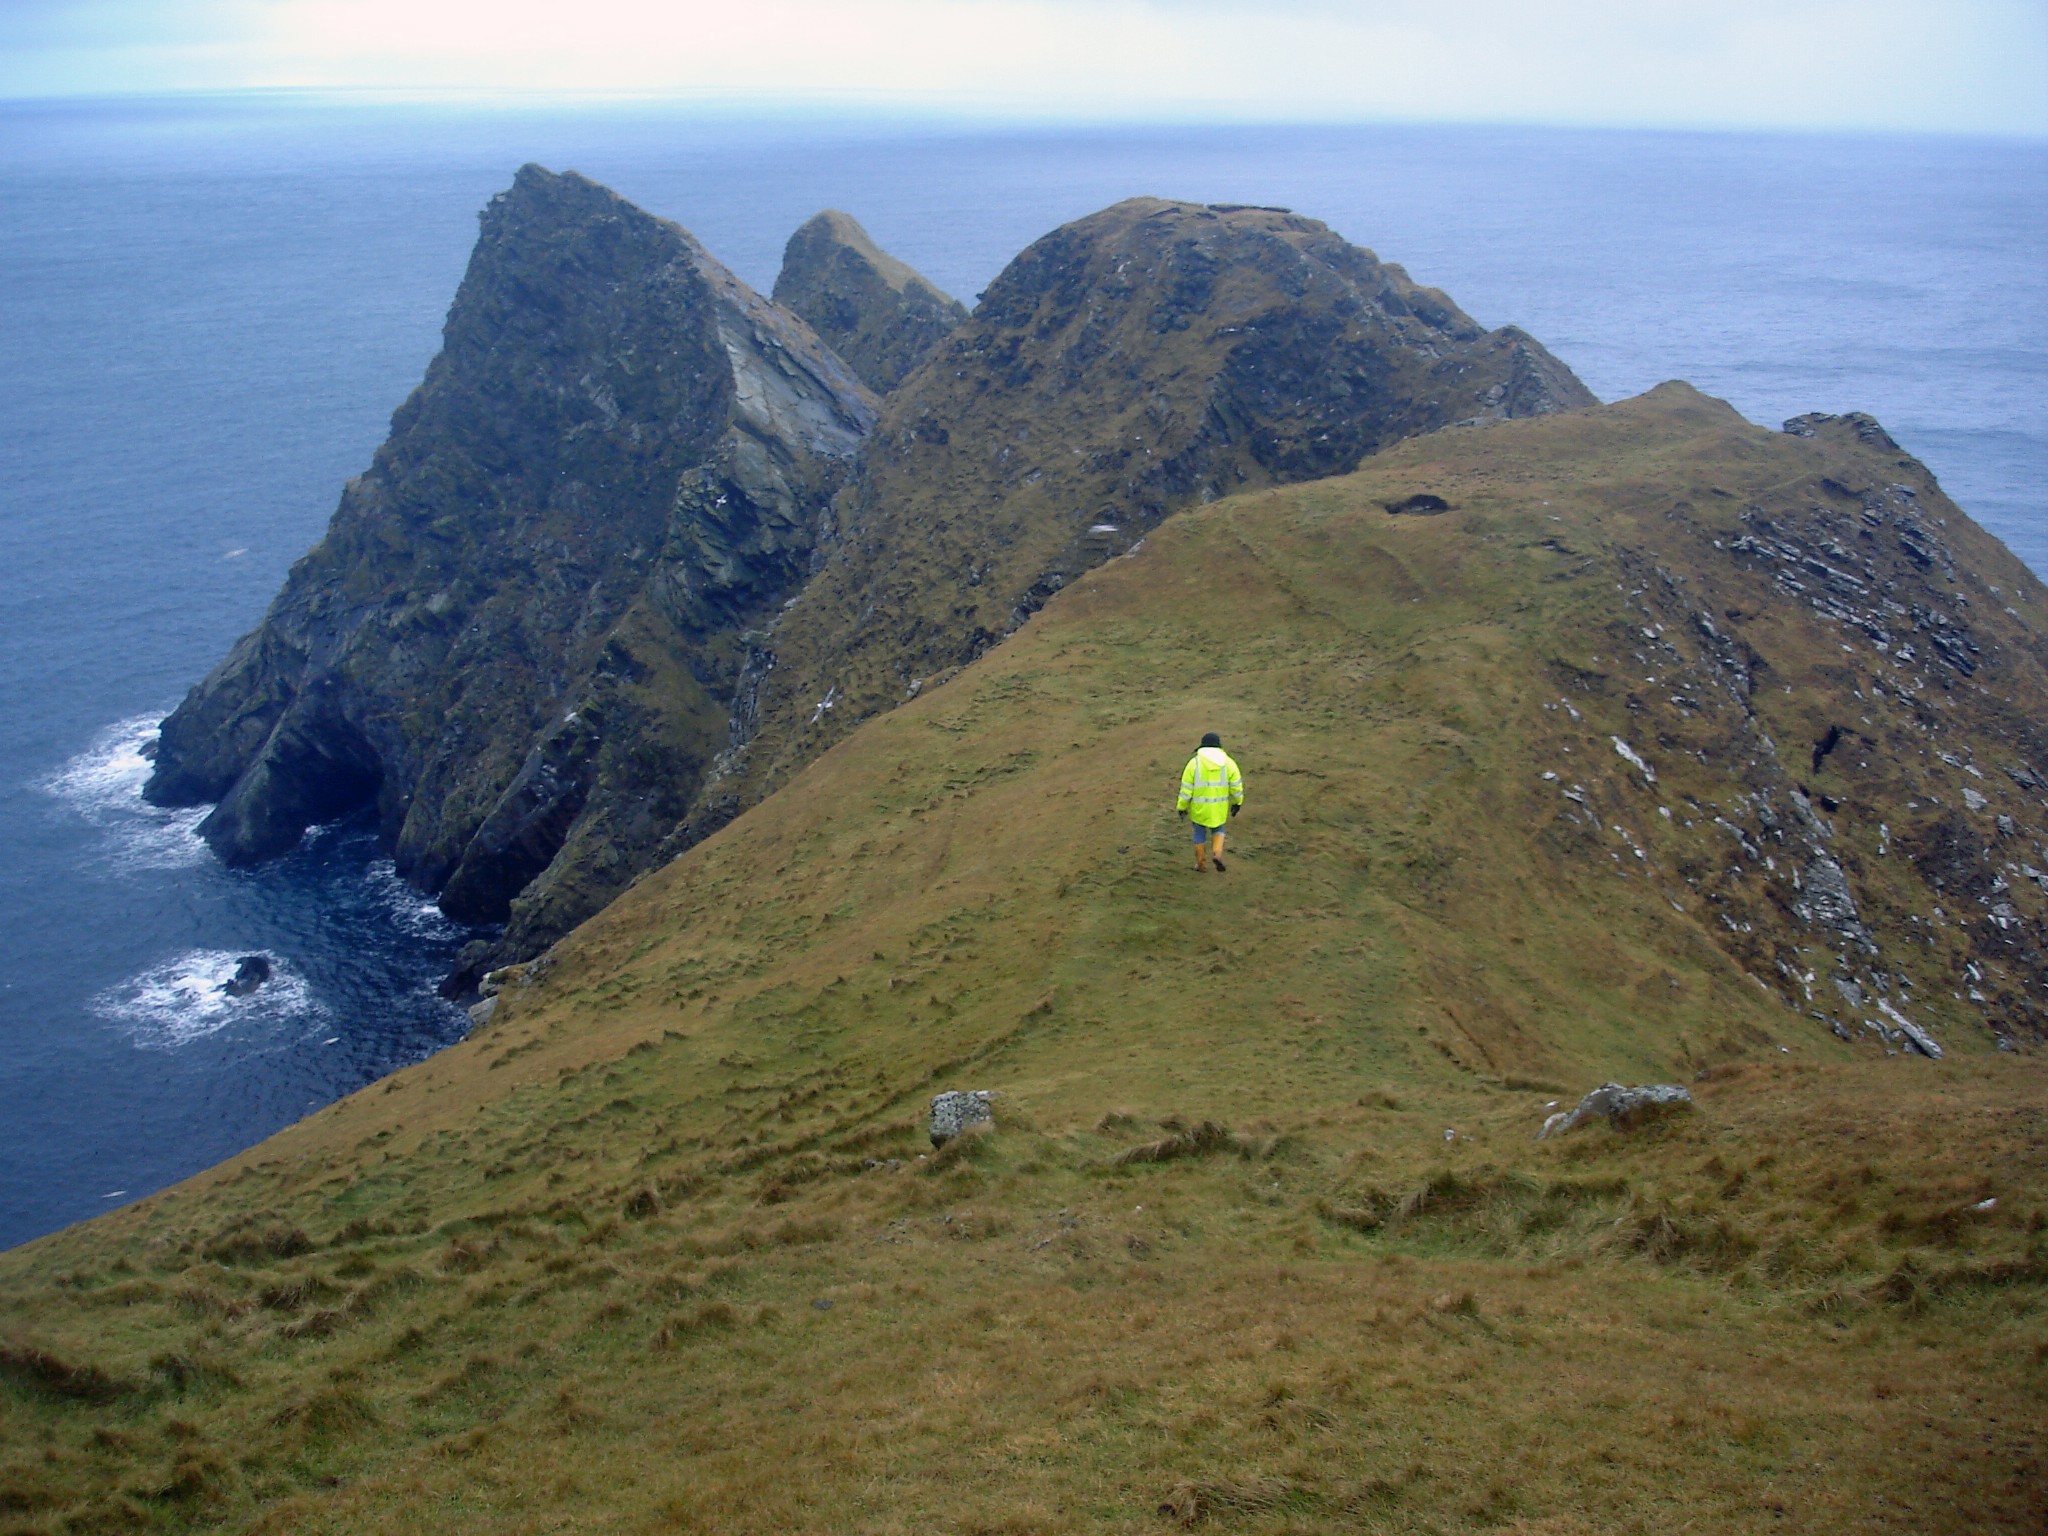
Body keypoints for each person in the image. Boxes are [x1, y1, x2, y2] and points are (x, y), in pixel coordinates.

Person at [1176, 731, 1244, 872]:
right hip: (1219, 808)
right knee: (1218, 829)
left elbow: (1186, 789)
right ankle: (1217, 854)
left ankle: (1201, 864)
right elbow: (1236, 786)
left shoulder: (1194, 763)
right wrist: (1237, 803)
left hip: (1199, 808)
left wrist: (1181, 807)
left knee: (1199, 834)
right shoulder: (1228, 762)